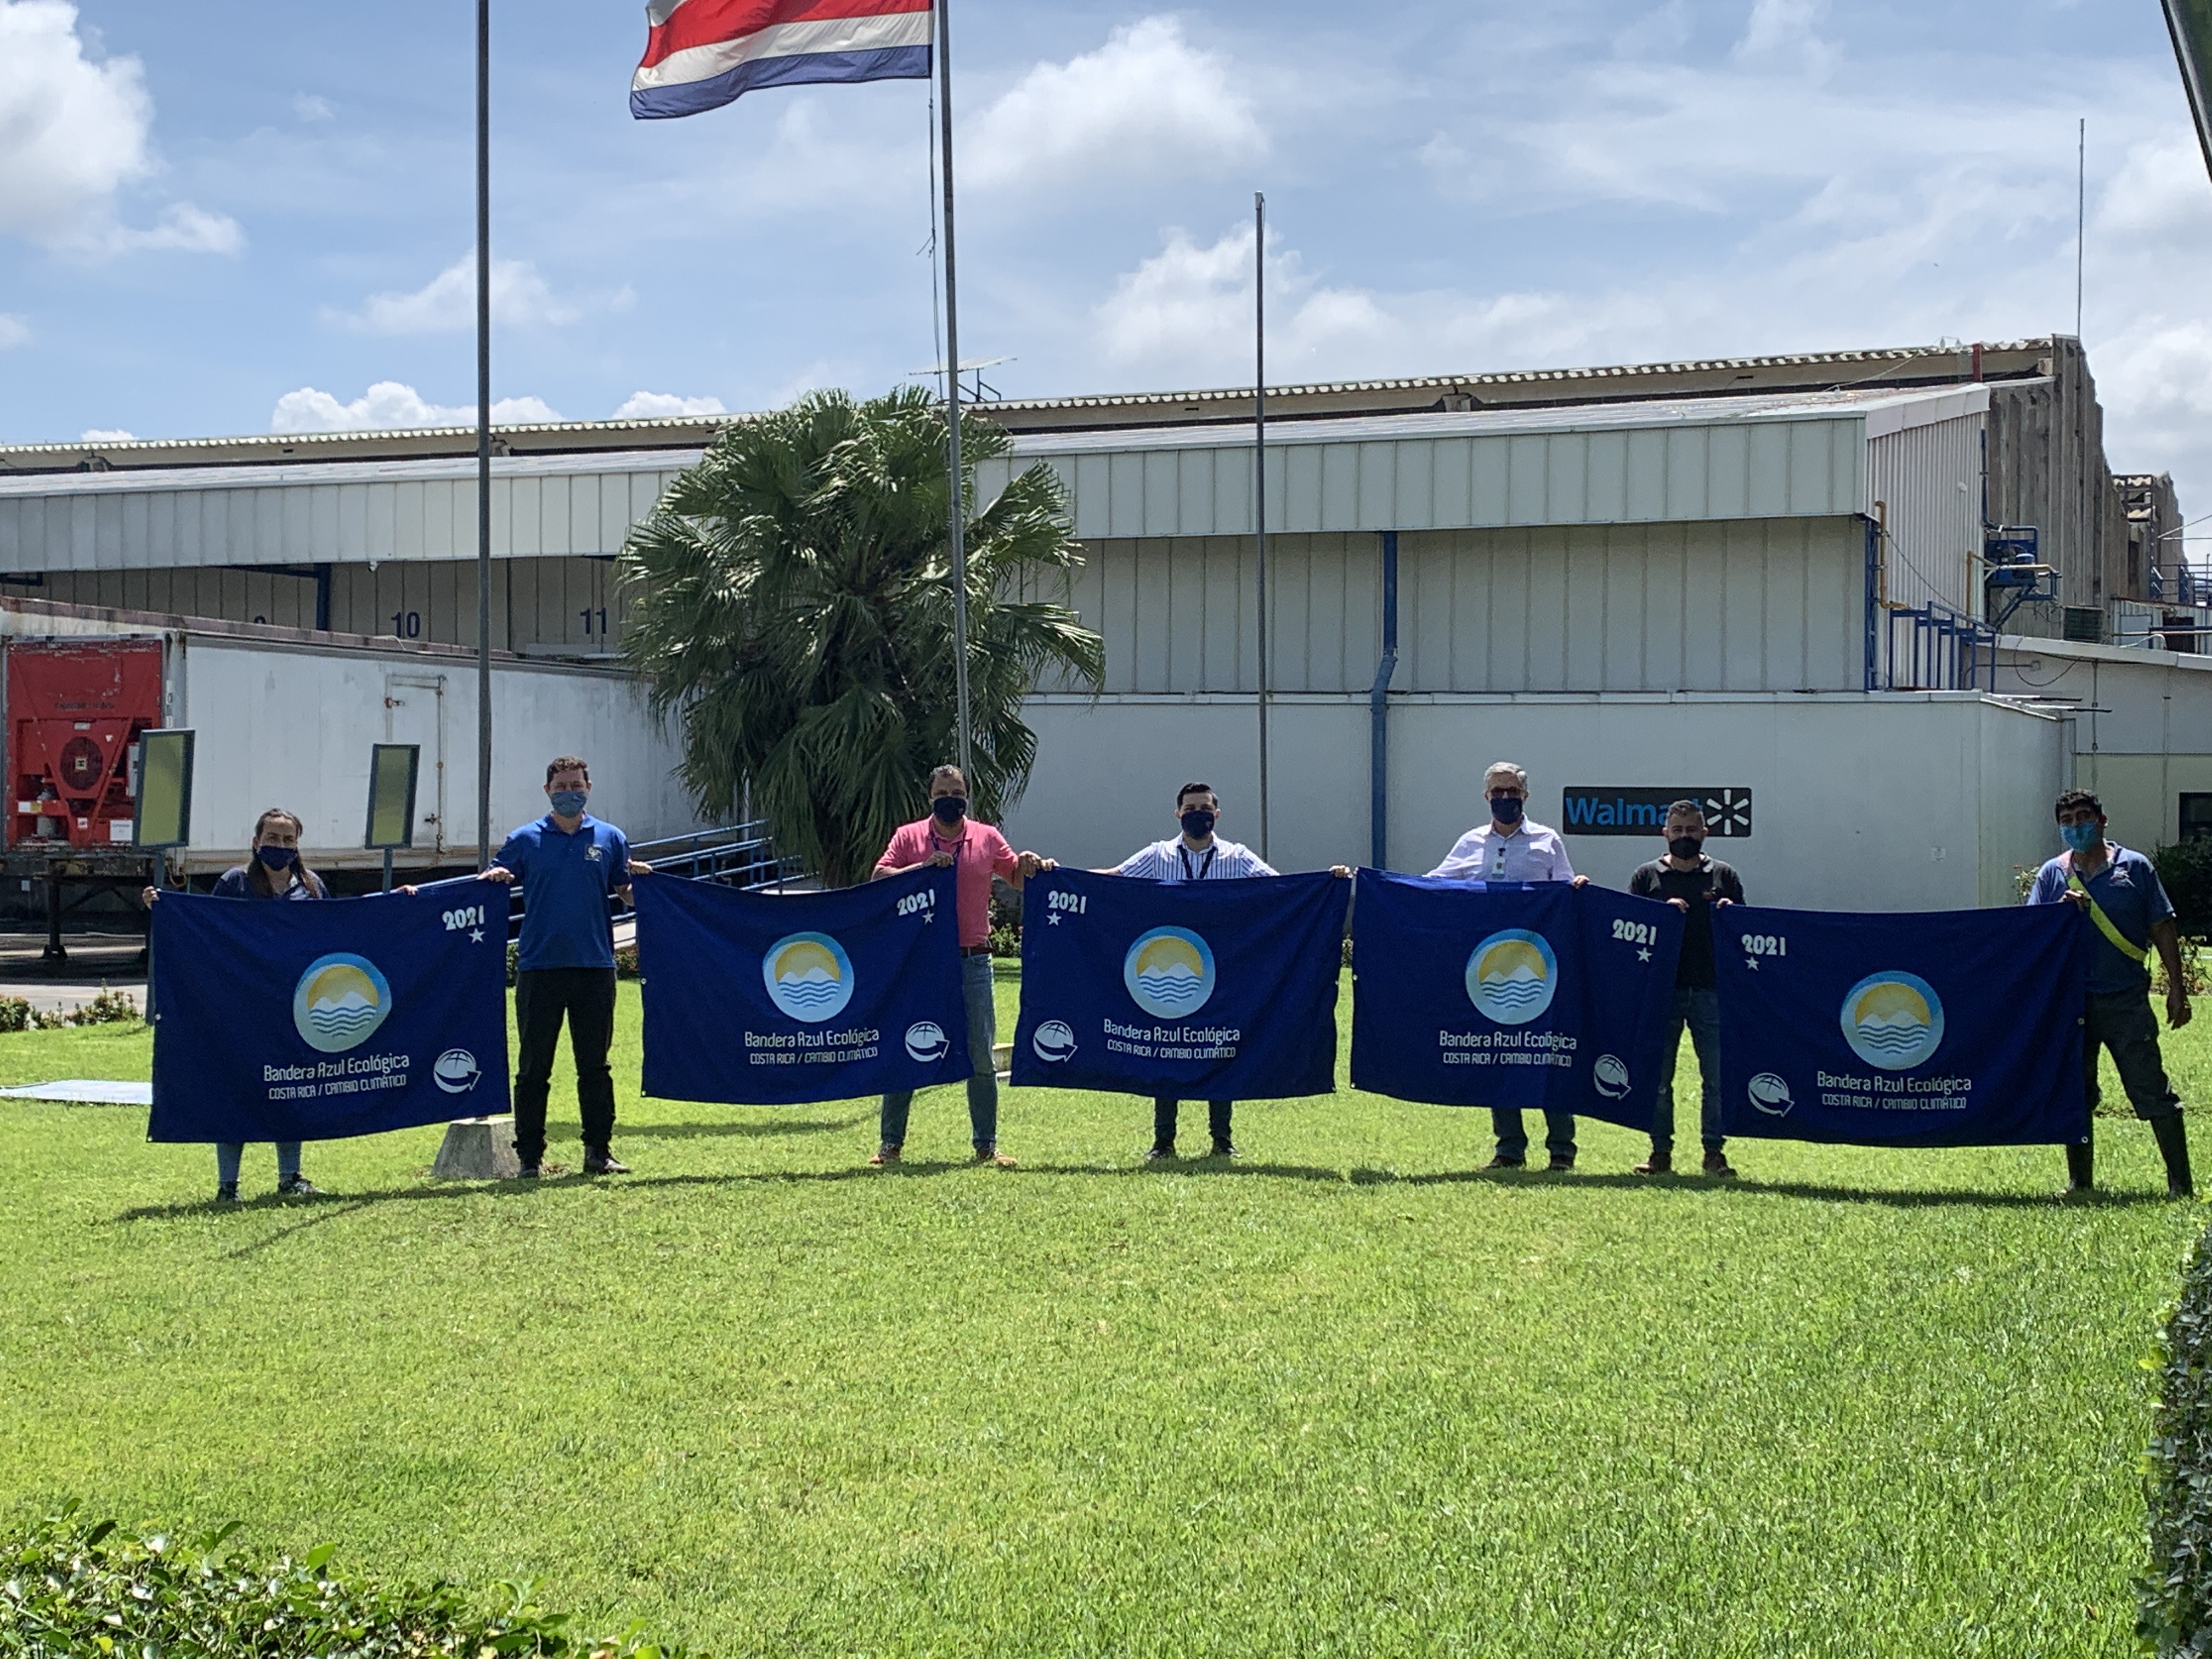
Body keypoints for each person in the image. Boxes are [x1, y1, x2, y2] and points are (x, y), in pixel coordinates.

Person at [1094, 781, 1338, 1160]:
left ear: (1217, 814)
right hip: (1171, 965)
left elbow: (1283, 890)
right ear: (1177, 814)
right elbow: (1111, 880)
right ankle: (1164, 1142)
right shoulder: (1157, 855)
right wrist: (1055, 875)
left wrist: (1327, 883)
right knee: (1166, 1051)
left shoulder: (1236, 858)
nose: (1197, 814)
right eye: (1189, 808)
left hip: (1223, 972)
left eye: (1204, 808)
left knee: (1219, 1048)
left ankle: (1222, 1140)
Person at [144, 807, 329, 1203]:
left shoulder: (312, 887)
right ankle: (228, 1186)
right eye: (272, 838)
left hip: (295, 1007)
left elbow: (340, 932)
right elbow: (207, 931)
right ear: (256, 842)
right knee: (235, 1088)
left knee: (291, 1089)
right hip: (241, 1008)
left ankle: (291, 1176)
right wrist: (165, 906)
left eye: (287, 840)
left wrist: (398, 901)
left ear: (297, 845)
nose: (280, 846)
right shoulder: (236, 882)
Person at [481, 757, 652, 1180]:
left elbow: (627, 894)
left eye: (576, 785)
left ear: (589, 787)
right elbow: (493, 880)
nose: (569, 792)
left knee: (595, 1065)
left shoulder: (611, 838)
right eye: (560, 787)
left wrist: (648, 887)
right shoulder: (525, 839)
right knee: (534, 1066)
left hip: (595, 967)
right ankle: (529, 1158)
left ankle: (598, 1150)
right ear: (547, 792)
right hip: (540, 968)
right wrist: (498, 876)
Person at [867, 765, 1045, 1167]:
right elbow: (880, 876)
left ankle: (987, 1145)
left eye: (958, 791)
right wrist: (923, 868)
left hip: (974, 961)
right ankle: (890, 1145)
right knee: (906, 1046)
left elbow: (1016, 876)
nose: (952, 798)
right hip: (920, 964)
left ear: (968, 795)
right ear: (930, 797)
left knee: (980, 1055)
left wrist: (1030, 862)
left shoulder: (986, 837)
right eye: (943, 792)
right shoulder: (908, 837)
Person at [2027, 788, 2194, 1198]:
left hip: (2125, 1001)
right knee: (2076, 1093)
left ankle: (2181, 1186)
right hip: (2070, 1005)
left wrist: (2177, 988)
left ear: (2102, 820)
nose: (2076, 828)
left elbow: (2162, 928)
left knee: (2151, 1088)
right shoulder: (2051, 875)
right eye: (2067, 822)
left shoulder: (2134, 868)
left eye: (2083, 818)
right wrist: (2058, 913)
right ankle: (2080, 1183)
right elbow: (2030, 935)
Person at [1426, 760, 1589, 1172]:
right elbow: (1434, 884)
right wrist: (1383, 886)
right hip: (1491, 968)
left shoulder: (1547, 841)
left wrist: (1578, 888)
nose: (1504, 799)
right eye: (1497, 793)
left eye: (1512, 792)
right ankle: (1509, 1149)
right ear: (1486, 797)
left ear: (1526, 797)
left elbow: (1567, 891)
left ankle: (1562, 1152)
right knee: (1499, 1054)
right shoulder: (1470, 844)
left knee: (1547, 1053)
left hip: (1540, 966)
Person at [1626, 800, 1745, 1178]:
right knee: (1659, 1077)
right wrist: (1660, 913)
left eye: (1691, 831)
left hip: (1712, 989)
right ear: (1665, 834)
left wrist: (1730, 911)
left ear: (1704, 833)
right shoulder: (1646, 877)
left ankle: (1714, 1152)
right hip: (1662, 991)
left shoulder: (1724, 875)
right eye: (1677, 831)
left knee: (1717, 1078)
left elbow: (1743, 930)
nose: (1684, 837)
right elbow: (1629, 929)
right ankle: (1660, 1152)